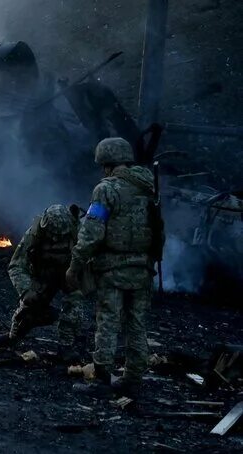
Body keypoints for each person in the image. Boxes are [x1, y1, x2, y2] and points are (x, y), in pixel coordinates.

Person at [67, 137, 161, 398]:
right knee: (137, 323)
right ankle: (133, 378)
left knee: (107, 321)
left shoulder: (106, 189)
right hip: (143, 268)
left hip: (112, 268)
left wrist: (75, 263)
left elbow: (92, 232)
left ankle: (101, 378)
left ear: (105, 163)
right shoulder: (148, 187)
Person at [0, 204, 87, 358]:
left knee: (74, 306)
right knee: (27, 310)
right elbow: (16, 265)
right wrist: (25, 290)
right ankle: (13, 337)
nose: (56, 238)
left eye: (60, 235)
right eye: (53, 234)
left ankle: (66, 346)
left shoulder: (77, 231)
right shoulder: (33, 235)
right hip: (42, 275)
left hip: (68, 273)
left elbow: (88, 255)